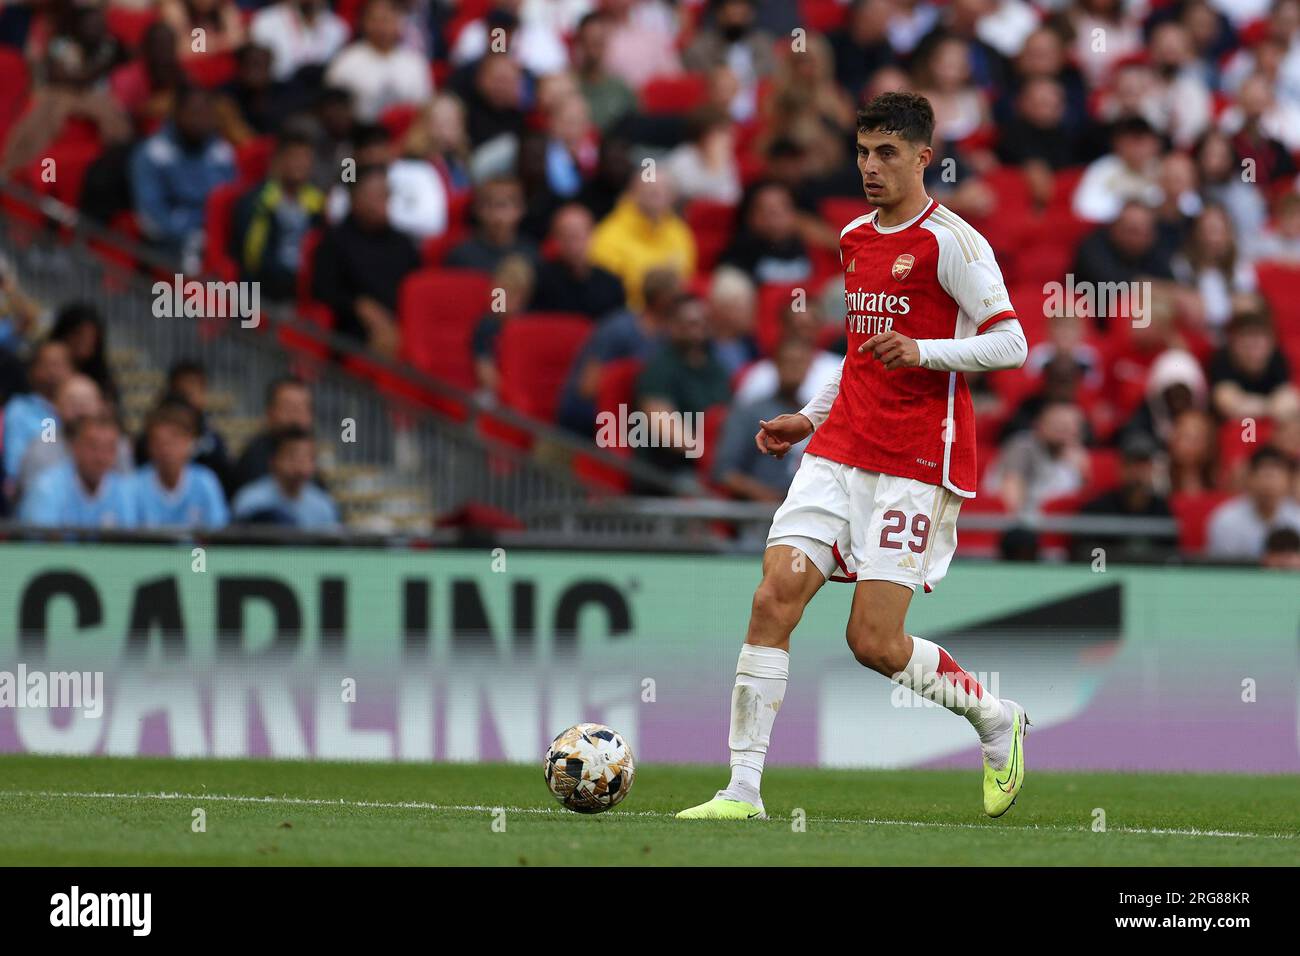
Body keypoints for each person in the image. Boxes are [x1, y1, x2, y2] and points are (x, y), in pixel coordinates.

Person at [677, 93, 1030, 822]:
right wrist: (807, 418)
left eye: (887, 153)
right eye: (863, 152)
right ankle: (741, 791)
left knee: (874, 642)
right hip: (839, 449)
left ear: (924, 157)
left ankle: (993, 718)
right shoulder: (854, 237)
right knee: (774, 596)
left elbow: (1011, 343)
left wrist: (925, 349)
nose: (871, 167)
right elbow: (859, 355)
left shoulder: (953, 243)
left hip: (913, 460)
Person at [714, 338, 814, 501]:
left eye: (800, 362)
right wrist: (761, 494)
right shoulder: (750, 411)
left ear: (809, 367)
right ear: (775, 365)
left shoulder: (813, 416)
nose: (794, 368)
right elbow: (723, 471)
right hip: (757, 514)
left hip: (805, 511)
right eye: (788, 362)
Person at [20, 414, 138, 529]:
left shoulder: (124, 490)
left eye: (109, 448)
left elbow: (131, 542)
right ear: (74, 447)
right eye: (93, 447)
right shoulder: (47, 487)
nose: (101, 457)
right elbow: (38, 544)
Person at [134, 402, 229, 529]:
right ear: (149, 446)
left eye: (173, 442)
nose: (166, 450)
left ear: (189, 442)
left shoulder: (206, 482)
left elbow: (218, 533)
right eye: (159, 442)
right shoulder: (134, 486)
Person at [232, 426, 339, 529]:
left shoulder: (323, 506)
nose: (300, 464)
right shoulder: (250, 501)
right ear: (274, 460)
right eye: (293, 456)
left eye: (307, 457)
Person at [1205, 447, 1300, 560]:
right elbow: (1221, 569)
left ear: (1288, 481)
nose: (1269, 485)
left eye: (1275, 477)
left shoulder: (1297, 518)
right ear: (1249, 479)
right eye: (1264, 476)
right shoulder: (1225, 520)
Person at [231, 376, 315, 493]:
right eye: (289, 408)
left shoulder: (312, 458)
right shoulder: (254, 461)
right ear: (269, 412)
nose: (296, 417)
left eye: (302, 408)